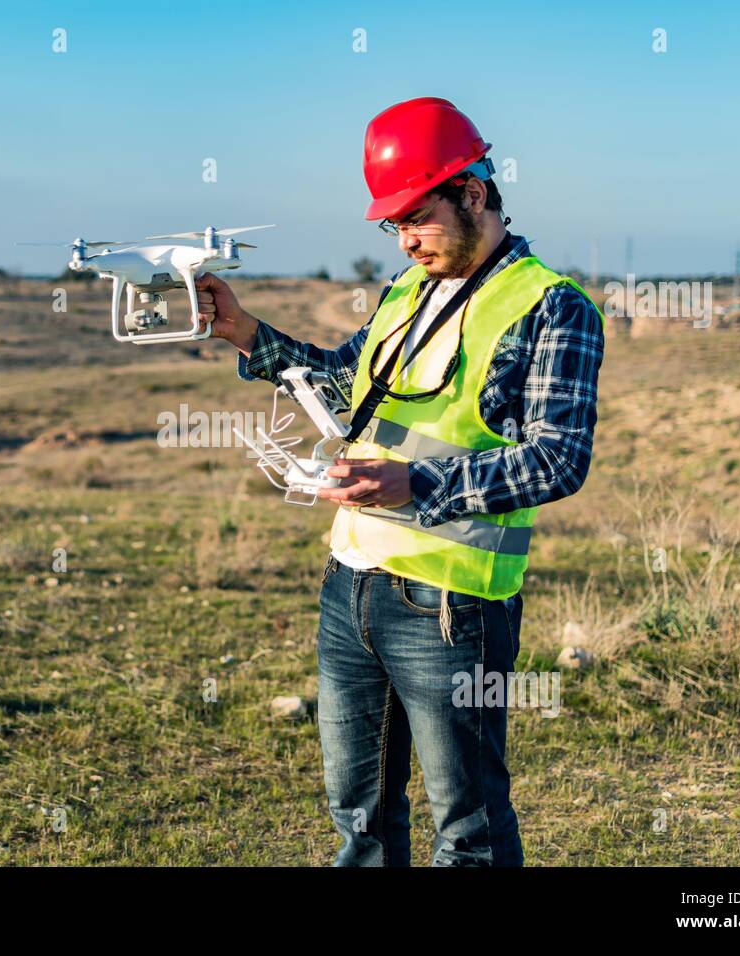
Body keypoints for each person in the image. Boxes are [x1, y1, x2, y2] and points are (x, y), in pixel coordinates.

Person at [195, 97, 605, 866]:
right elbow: (346, 387)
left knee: (469, 832)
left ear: (474, 193)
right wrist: (245, 331)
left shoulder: (552, 307)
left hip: (451, 608)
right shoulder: (406, 294)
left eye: (418, 216)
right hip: (351, 588)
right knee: (360, 822)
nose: (406, 239)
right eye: (395, 225)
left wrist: (412, 483)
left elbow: (558, 459)